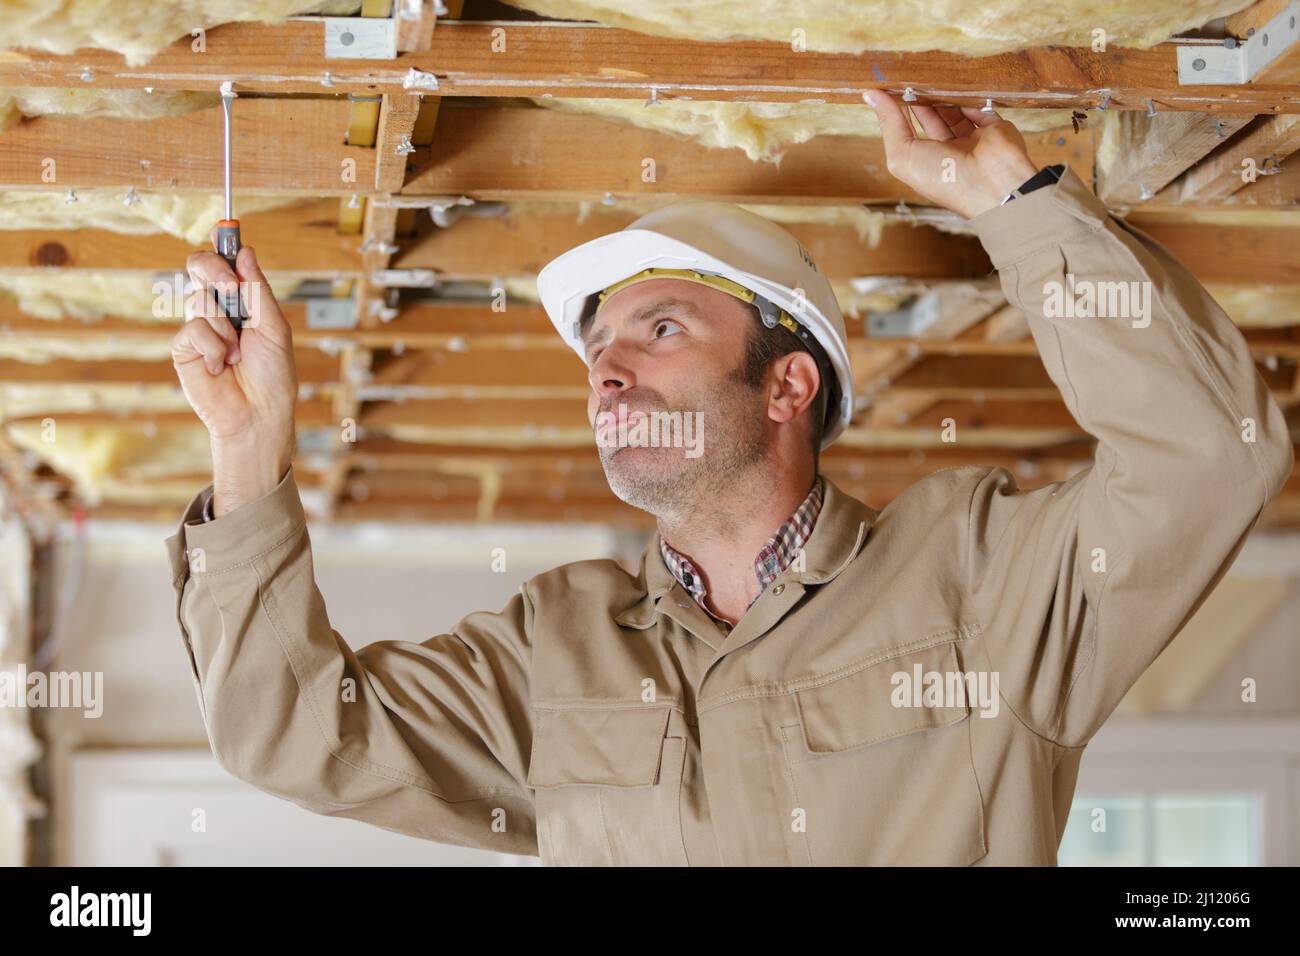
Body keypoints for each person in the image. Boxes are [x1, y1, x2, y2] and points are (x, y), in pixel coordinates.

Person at [166, 90, 1293, 865]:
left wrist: (1014, 197)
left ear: (787, 383)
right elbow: (293, 730)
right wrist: (248, 451)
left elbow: (1209, 451)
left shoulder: (979, 582)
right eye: (597, 351)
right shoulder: (554, 648)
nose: (606, 369)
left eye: (658, 328)